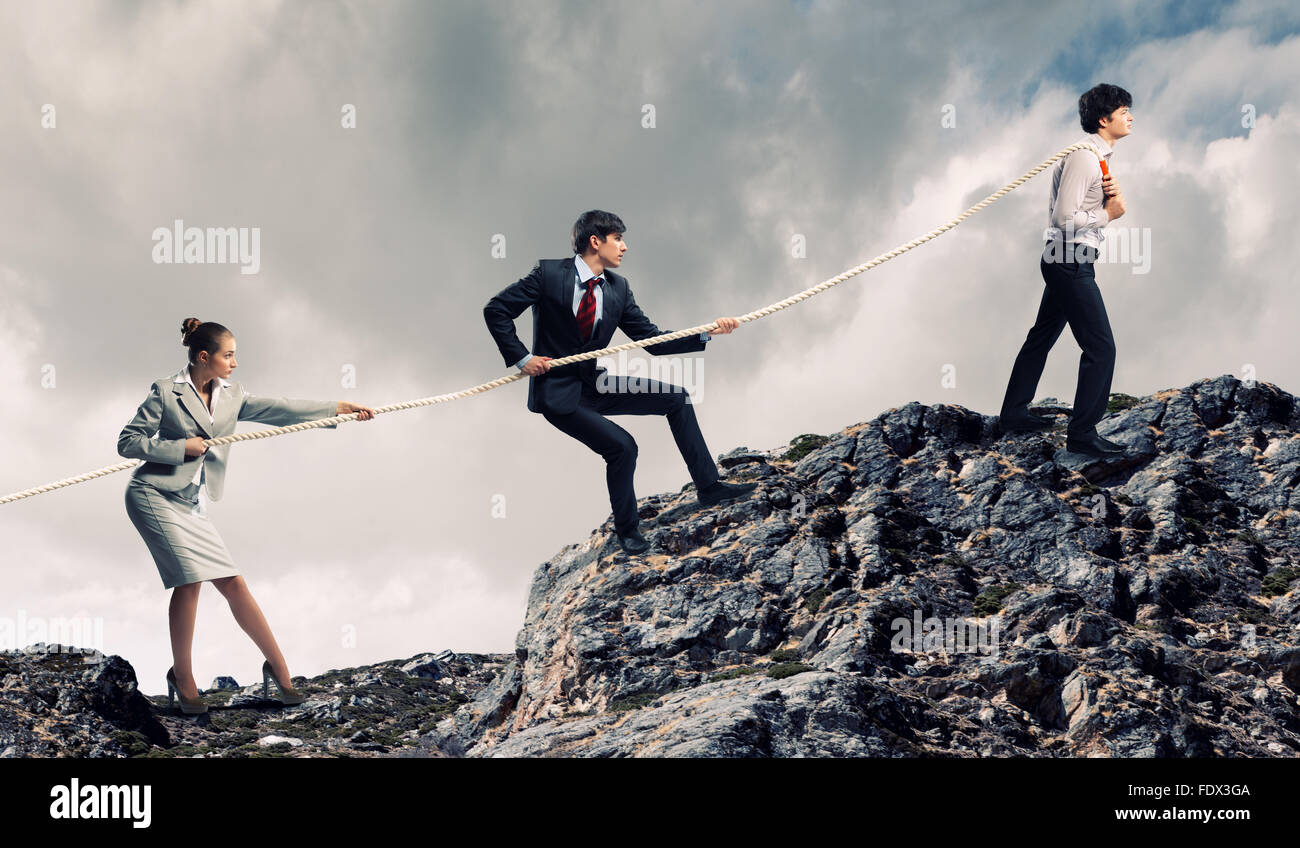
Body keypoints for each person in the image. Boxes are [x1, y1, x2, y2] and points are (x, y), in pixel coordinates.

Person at [118, 317, 376, 714]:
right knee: (190, 581)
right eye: (229, 355)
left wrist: (340, 408)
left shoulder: (233, 394)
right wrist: (180, 447)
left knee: (234, 584)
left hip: (191, 501)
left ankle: (280, 671)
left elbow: (281, 409)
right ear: (204, 357)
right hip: (153, 494)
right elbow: (128, 441)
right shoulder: (166, 391)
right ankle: (183, 678)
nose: (235, 363)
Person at [484, 210, 756, 554]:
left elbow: (652, 340)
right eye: (618, 239)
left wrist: (707, 332)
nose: (624, 247)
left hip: (596, 385)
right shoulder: (549, 275)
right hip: (559, 396)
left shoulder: (618, 289)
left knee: (678, 398)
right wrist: (523, 358)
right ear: (595, 242)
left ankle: (709, 487)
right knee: (623, 447)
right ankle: (627, 531)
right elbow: (496, 310)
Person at [998, 83, 1133, 457]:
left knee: (1042, 336)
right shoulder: (1084, 158)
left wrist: (1105, 205)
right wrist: (1109, 214)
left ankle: (1013, 413)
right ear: (1104, 119)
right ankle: (1082, 434)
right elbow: (1063, 218)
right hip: (1069, 259)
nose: (1130, 117)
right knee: (1101, 348)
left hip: (1067, 258)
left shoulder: (1095, 157)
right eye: (1124, 112)